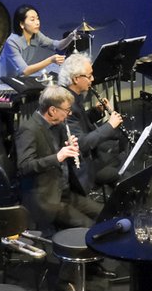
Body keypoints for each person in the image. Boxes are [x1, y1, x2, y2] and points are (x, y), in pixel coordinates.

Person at [14, 85, 101, 238]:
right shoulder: (29, 129)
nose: (70, 113)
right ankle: (81, 259)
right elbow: (24, 167)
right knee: (89, 227)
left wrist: (72, 151)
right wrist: (58, 157)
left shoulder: (59, 125)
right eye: (67, 110)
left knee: (103, 213)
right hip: (45, 198)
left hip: (64, 191)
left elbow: (68, 160)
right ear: (53, 110)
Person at [57, 53, 128, 188]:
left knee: (121, 153)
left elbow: (78, 123)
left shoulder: (72, 96)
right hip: (82, 167)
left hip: (88, 156)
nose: (93, 79)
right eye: (89, 76)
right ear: (76, 79)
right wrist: (109, 125)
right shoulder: (66, 104)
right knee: (123, 167)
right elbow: (81, 144)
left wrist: (96, 113)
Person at [0, 4, 68, 88]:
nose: (37, 22)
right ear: (22, 24)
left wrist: (71, 36)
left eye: (38, 18)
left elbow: (57, 45)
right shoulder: (12, 41)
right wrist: (51, 60)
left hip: (12, 80)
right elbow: (25, 71)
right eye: (32, 20)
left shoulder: (36, 35)